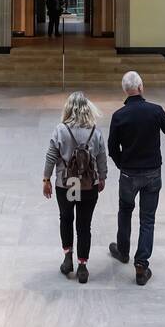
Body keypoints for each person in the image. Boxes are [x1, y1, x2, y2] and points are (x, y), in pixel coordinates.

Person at [108, 71, 165, 285]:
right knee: (147, 219)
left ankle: (123, 251)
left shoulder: (119, 116)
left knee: (125, 211)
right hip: (152, 173)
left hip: (128, 174)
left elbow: (112, 148)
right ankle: (141, 265)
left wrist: (122, 165)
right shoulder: (155, 111)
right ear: (141, 87)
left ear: (125, 90)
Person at [42, 91, 107, 283]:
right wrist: (102, 178)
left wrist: (46, 179)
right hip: (88, 185)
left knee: (67, 218)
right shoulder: (95, 131)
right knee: (84, 225)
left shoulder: (61, 130)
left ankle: (67, 257)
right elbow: (102, 157)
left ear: (68, 108)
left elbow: (51, 156)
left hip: (68, 184)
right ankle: (83, 266)